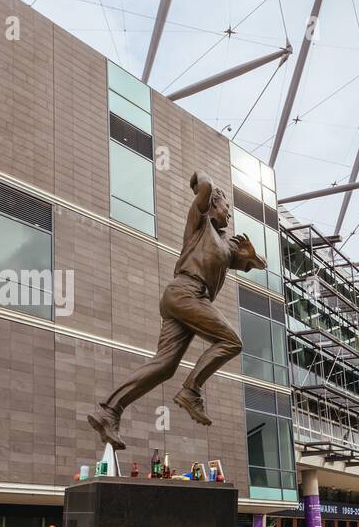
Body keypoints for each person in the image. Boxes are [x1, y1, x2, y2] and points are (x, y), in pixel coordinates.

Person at [87, 171, 264, 449]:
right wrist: (201, 181)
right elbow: (204, 183)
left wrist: (251, 256)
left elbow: (258, 265)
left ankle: (109, 411)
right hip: (185, 292)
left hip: (187, 301)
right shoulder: (200, 222)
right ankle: (191, 390)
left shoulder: (227, 246)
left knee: (165, 365)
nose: (230, 215)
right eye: (227, 207)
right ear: (215, 204)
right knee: (232, 341)